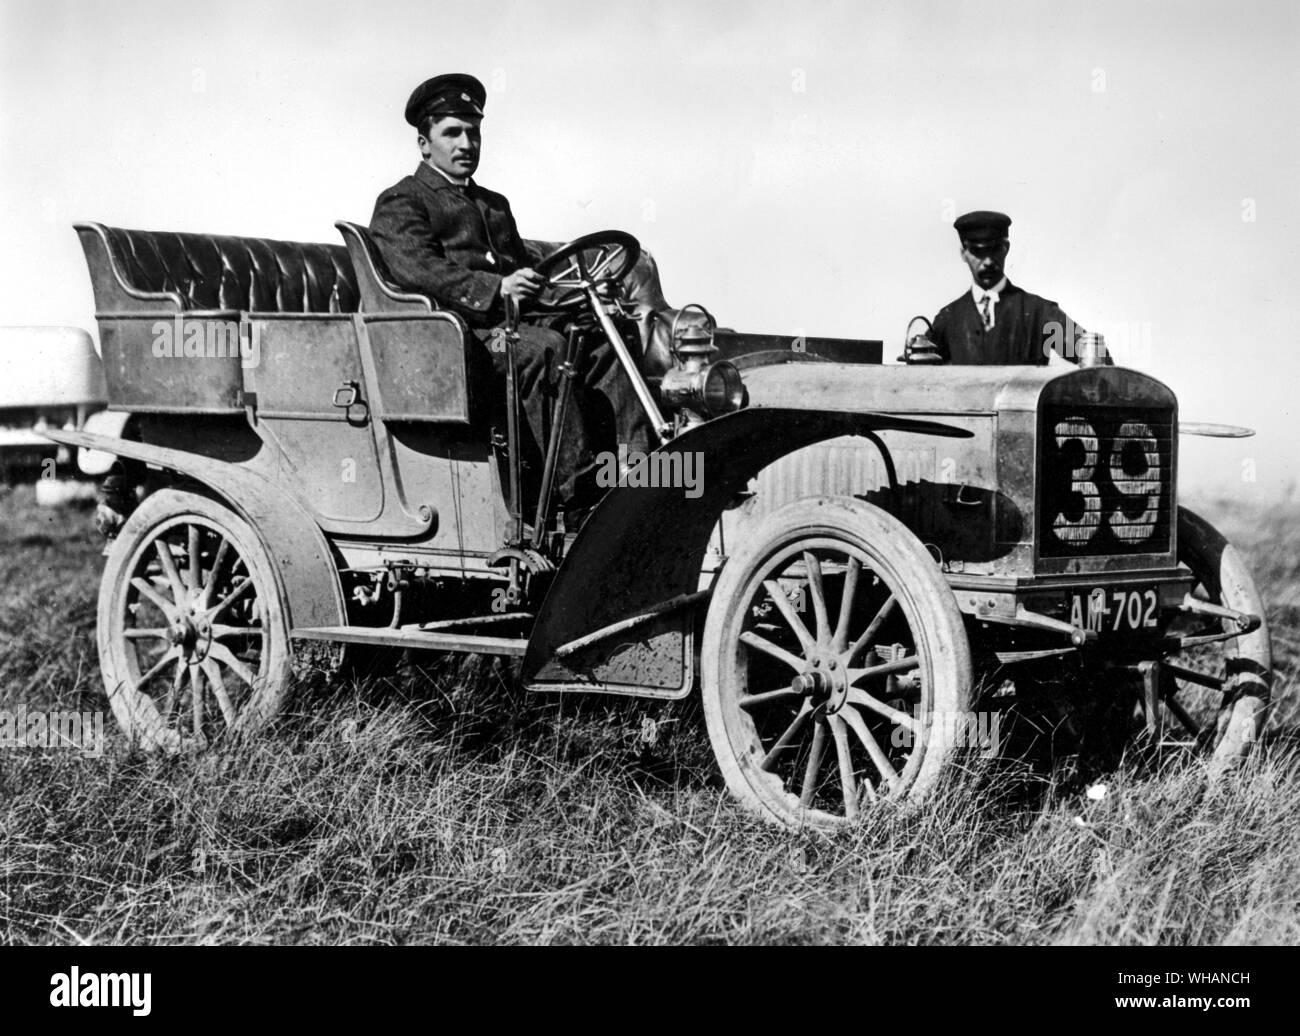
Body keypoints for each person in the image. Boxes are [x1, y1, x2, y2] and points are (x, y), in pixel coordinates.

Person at [368, 73, 648, 522]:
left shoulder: (494, 204)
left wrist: (583, 296)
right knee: (547, 350)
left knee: (603, 337)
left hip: (506, 327)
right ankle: (574, 501)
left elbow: (530, 277)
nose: (466, 143)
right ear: (424, 144)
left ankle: (634, 478)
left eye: (473, 132)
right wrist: (495, 288)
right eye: (452, 133)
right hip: (456, 341)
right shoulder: (403, 201)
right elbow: (419, 271)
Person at [926, 211, 1100, 365]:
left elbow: (1096, 356)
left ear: (1006, 249)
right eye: (978, 252)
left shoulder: (1039, 312)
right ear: (964, 253)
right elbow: (918, 376)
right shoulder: (948, 318)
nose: (987, 262)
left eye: (994, 250)